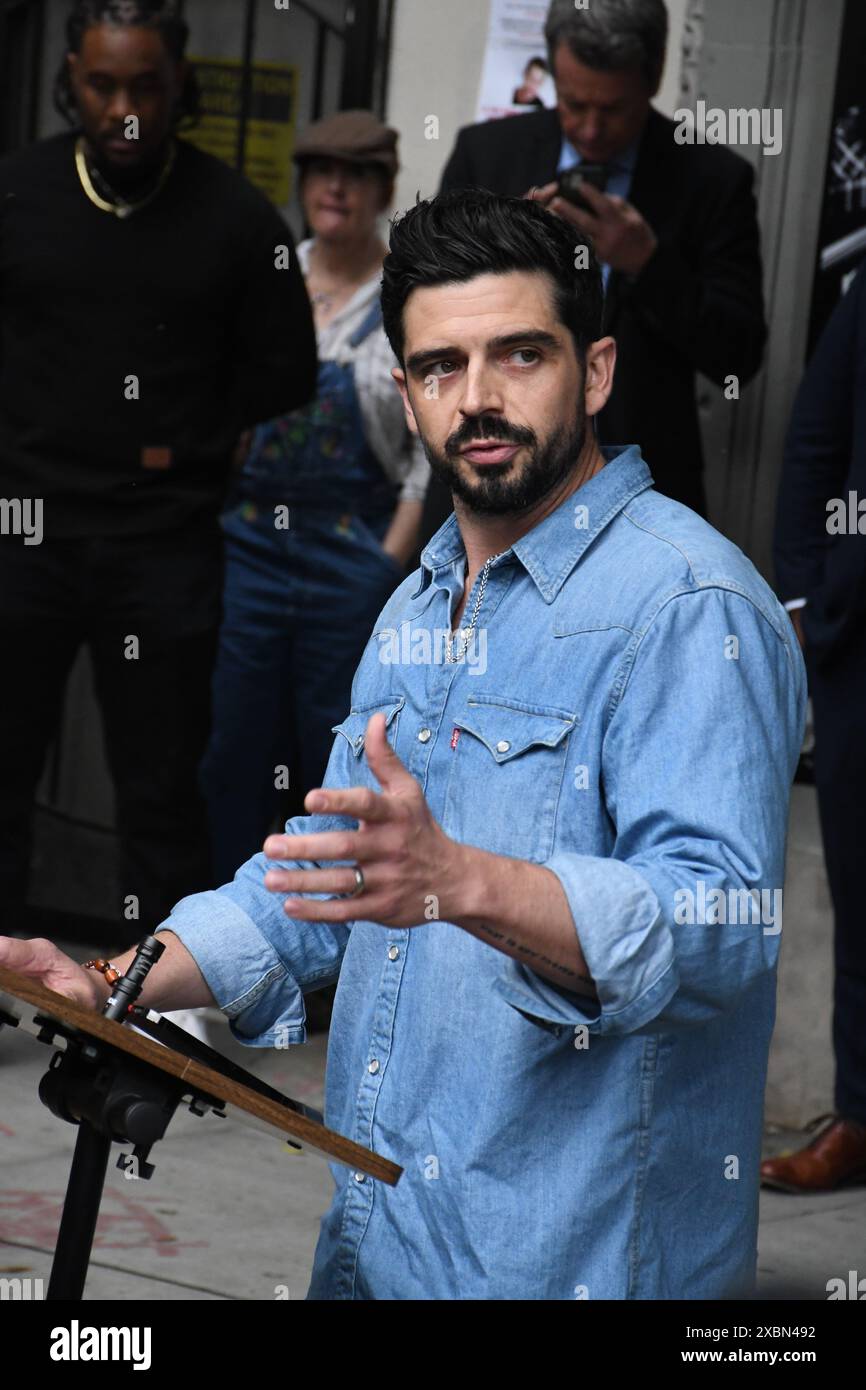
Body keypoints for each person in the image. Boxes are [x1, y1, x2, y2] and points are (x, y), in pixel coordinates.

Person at [0, 188, 806, 1301]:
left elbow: (720, 930)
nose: (477, 399)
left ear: (599, 370)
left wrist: (462, 881)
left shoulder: (689, 604)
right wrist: (116, 982)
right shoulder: (418, 606)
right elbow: (318, 882)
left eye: (520, 355)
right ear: (405, 393)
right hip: (378, 1247)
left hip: (566, 1264)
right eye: (439, 367)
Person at [0, 0, 317, 939]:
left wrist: (181, 440)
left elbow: (285, 373)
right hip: (23, 534)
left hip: (162, 543)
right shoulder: (17, 192)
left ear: (181, 85)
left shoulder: (234, 218)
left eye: (146, 84)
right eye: (103, 84)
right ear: (71, 79)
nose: (124, 108)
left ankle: (155, 1007)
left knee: (163, 782)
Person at [413, 0, 767, 565]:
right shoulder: (488, 154)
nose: (592, 129)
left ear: (652, 78)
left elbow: (740, 352)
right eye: (574, 105)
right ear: (551, 68)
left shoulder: (713, 178)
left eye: (615, 109)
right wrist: (507, 247)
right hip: (486, 469)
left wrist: (647, 263)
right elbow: (429, 307)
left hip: (644, 484)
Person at [201, 111, 430, 886]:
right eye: (322, 169)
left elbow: (424, 457)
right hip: (251, 552)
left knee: (331, 761)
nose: (336, 186)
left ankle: (318, 969)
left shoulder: (405, 297)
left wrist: (384, 564)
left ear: (383, 190)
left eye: (357, 173)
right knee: (232, 754)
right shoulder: (266, 276)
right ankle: (217, 961)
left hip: (350, 559)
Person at [766, 264, 866, 1191]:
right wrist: (804, 593)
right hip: (861, 645)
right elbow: (816, 441)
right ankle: (862, 1114)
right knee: (861, 888)